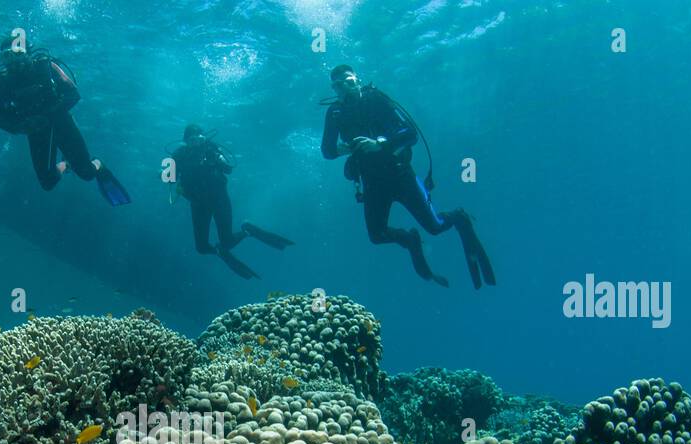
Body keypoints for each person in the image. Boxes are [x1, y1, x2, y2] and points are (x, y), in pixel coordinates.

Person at [321, 65, 495, 289]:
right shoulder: (335, 113)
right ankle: (409, 239)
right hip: (372, 182)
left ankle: (459, 218)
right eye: (338, 85)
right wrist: (343, 149)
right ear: (333, 89)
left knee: (435, 226)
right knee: (377, 235)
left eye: (349, 81)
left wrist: (380, 144)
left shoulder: (376, 99)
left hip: (400, 175)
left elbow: (410, 133)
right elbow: (326, 151)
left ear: (358, 79)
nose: (344, 88)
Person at [0, 35, 131, 206]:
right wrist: (21, 126)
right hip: (36, 131)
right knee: (47, 182)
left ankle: (98, 165)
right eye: (6, 57)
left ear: (27, 53)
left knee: (87, 174)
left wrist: (47, 115)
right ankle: (66, 165)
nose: (12, 62)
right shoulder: (3, 81)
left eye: (17, 54)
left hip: (62, 124)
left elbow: (73, 94)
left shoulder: (45, 67)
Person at [171, 124, 293, 279]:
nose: (195, 143)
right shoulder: (179, 155)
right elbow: (168, 178)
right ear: (185, 141)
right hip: (198, 204)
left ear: (204, 137)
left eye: (198, 139)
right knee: (201, 247)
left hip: (219, 200)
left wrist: (218, 160)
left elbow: (229, 169)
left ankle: (248, 230)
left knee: (227, 241)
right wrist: (164, 173)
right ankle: (218, 251)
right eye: (191, 140)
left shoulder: (211, 150)